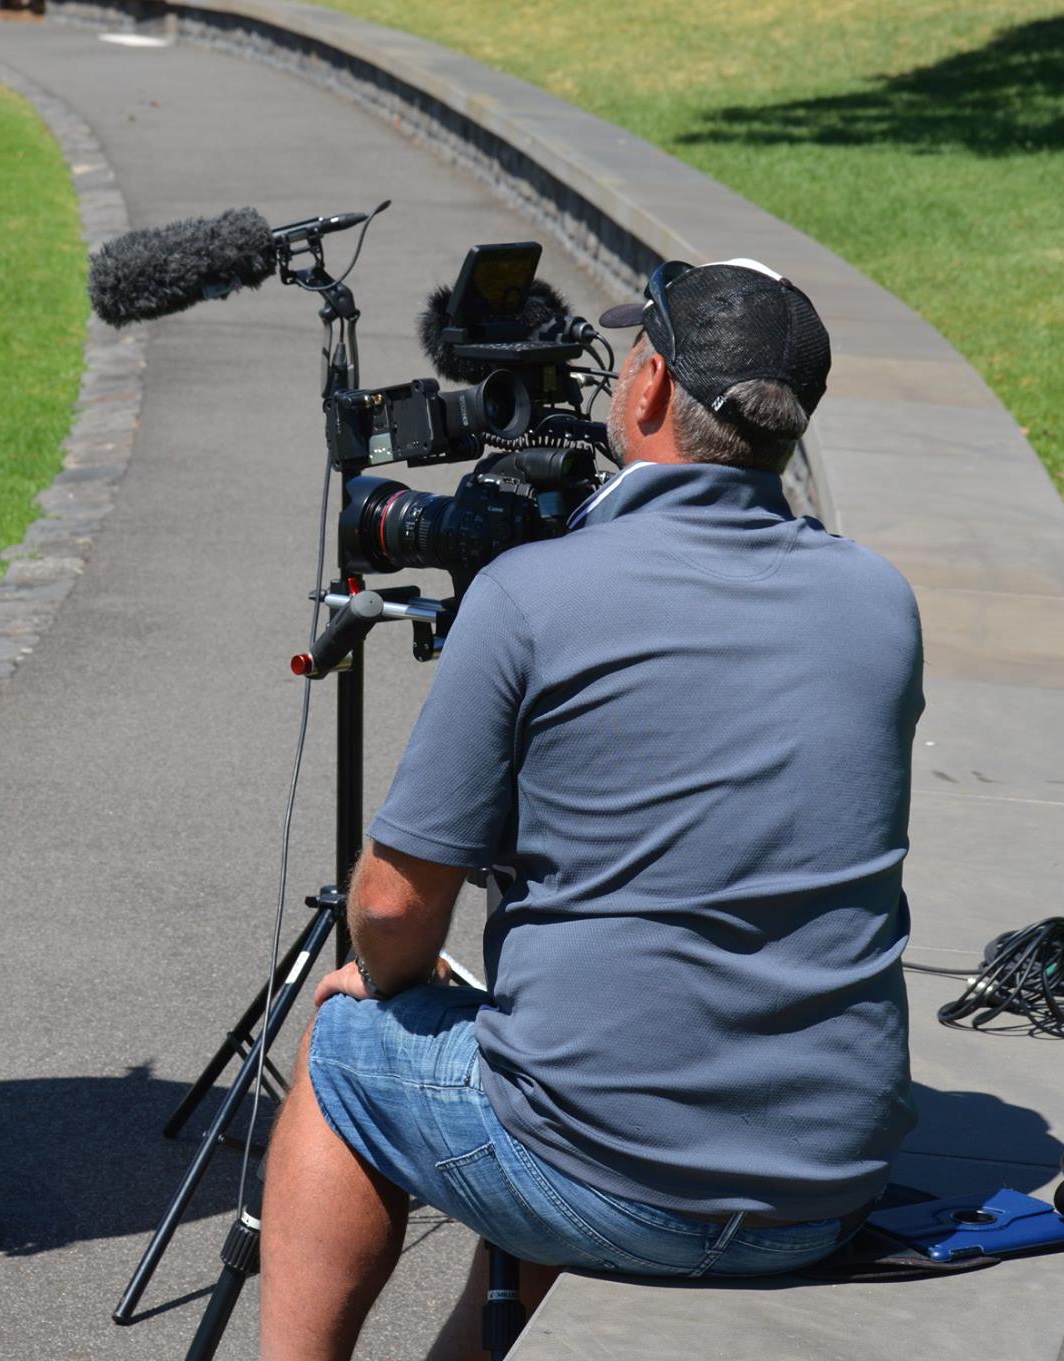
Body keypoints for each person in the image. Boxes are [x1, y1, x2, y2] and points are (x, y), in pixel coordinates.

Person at [258, 261, 925, 1359]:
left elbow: (390, 906)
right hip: (829, 1189)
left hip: (612, 1180)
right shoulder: (880, 600)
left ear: (650, 383)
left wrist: (390, 978)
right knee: (551, 1080)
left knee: (346, 1049)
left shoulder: (531, 595)